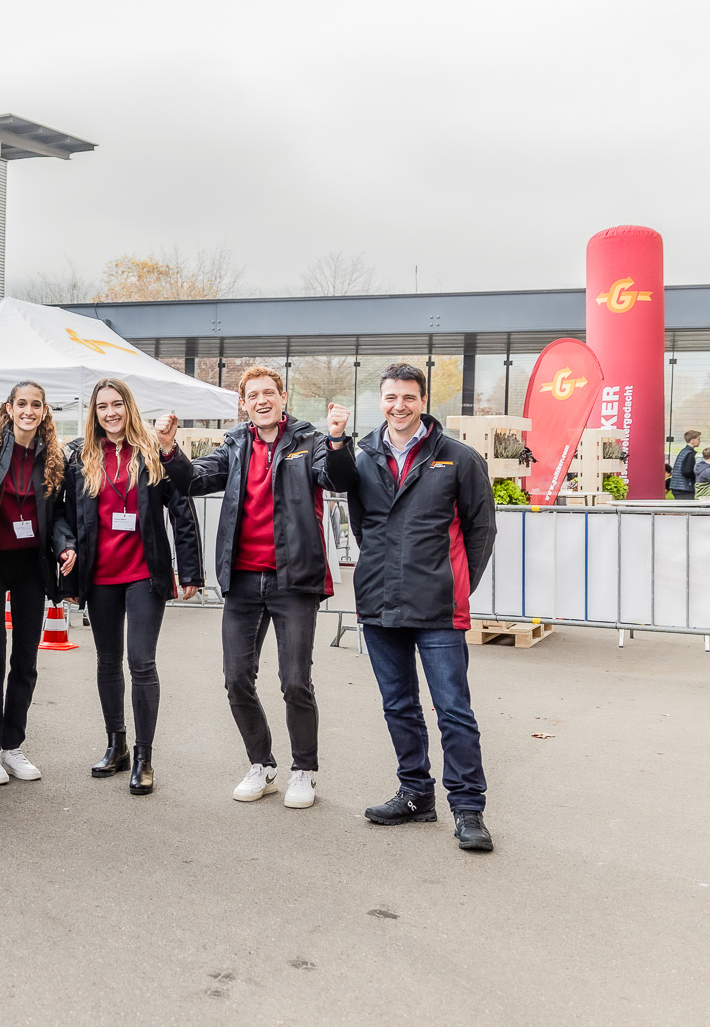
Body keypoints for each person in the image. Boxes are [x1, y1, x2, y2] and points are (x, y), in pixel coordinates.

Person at [321, 362, 497, 854]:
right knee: (398, 706)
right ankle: (416, 794)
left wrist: (459, 583)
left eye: (409, 398)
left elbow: (481, 529)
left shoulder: (457, 458)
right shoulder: (363, 457)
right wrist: (335, 440)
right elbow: (361, 522)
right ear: (381, 401)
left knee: (453, 711)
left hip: (439, 604)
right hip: (379, 601)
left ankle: (468, 808)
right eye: (390, 398)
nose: (399, 406)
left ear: (423, 401)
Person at [174, 366, 330, 809]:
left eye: (269, 393)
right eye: (252, 395)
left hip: (293, 579)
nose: (261, 400)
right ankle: (262, 765)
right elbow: (194, 480)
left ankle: (304, 770)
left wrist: (337, 440)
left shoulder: (308, 441)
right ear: (243, 404)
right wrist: (169, 452)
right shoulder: (235, 444)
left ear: (283, 398)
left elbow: (334, 477)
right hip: (242, 579)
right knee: (236, 679)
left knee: (295, 681)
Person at [59, 379, 202, 796]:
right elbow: (65, 518)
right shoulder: (81, 457)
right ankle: (116, 745)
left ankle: (143, 756)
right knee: (107, 662)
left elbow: (183, 513)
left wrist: (190, 572)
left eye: (117, 404)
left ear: (128, 407)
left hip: (144, 575)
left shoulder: (152, 452)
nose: (110, 412)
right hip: (99, 577)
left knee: (141, 663)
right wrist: (67, 563)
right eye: (102, 406)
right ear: (94, 413)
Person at [0, 380, 75, 787]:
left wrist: (66, 545)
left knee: (25, 661)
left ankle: (12, 745)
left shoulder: (53, 458)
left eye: (36, 404)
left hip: (32, 565)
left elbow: (60, 513)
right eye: (22, 404)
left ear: (45, 411)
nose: (29, 410)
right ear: (9, 408)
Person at [667, 430, 703, 500]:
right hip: (685, 488)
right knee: (688, 509)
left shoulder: (683, 452)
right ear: (692, 440)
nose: (700, 441)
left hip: (677, 486)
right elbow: (688, 471)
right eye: (698, 439)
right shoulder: (690, 453)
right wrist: (697, 475)